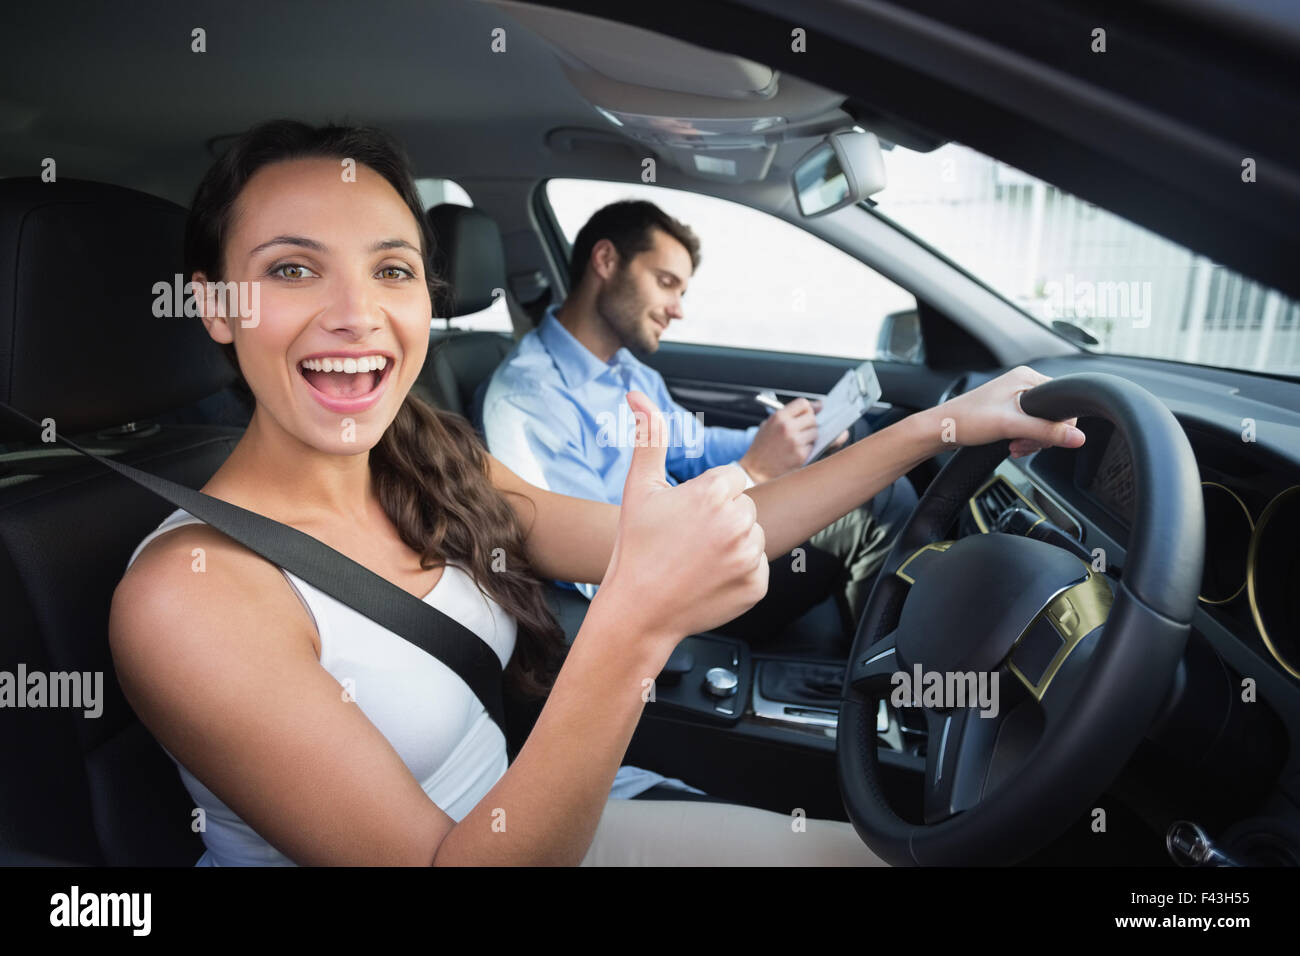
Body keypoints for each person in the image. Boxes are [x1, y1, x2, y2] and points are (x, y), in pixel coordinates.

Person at [109, 119, 1086, 866]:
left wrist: (937, 428)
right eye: (291, 268)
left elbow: (692, 531)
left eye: (392, 269)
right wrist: (634, 629)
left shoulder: (424, 457)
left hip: (548, 807)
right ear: (215, 306)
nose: (356, 313)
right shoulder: (189, 594)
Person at [477, 201, 918, 657]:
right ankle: (884, 691)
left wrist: (788, 441)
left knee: (858, 451)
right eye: (666, 283)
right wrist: (753, 473)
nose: (678, 310)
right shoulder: (528, 397)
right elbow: (603, 561)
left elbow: (695, 446)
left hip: (690, 536)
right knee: (879, 503)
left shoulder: (627, 370)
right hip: (667, 588)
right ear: (606, 261)